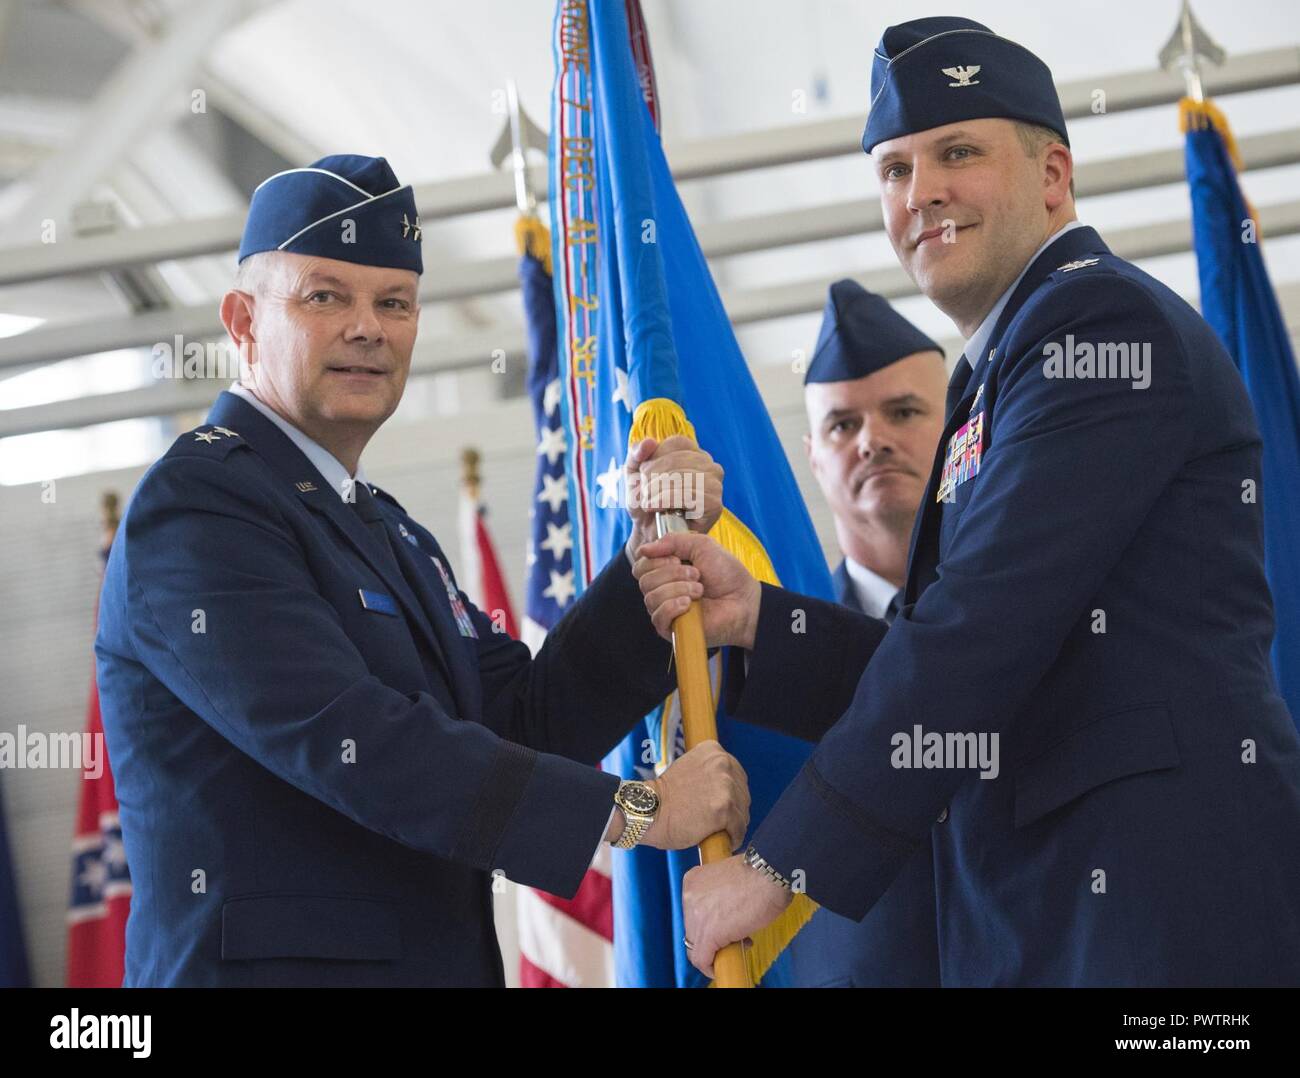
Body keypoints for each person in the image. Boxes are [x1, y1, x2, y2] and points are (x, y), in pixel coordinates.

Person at [635, 18, 1300, 986]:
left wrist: (781, 865)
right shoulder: (1005, 368)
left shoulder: (1095, 324)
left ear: (1053, 176)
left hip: (1155, 917)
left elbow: (982, 625)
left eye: (957, 154)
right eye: (895, 171)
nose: (923, 193)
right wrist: (760, 621)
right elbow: (988, 652)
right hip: (1066, 917)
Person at [95, 154, 749, 987]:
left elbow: (520, 721)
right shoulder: (196, 507)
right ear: (242, 321)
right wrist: (637, 811)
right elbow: (350, 739)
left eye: (394, 302)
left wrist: (648, 571)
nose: (369, 326)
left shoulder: (387, 529)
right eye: (326, 295)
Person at [790, 280, 946, 986]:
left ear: (963, 425)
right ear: (814, 456)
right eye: (841, 426)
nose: (872, 440)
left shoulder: (1051, 610)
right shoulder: (770, 658)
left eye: (904, 411)